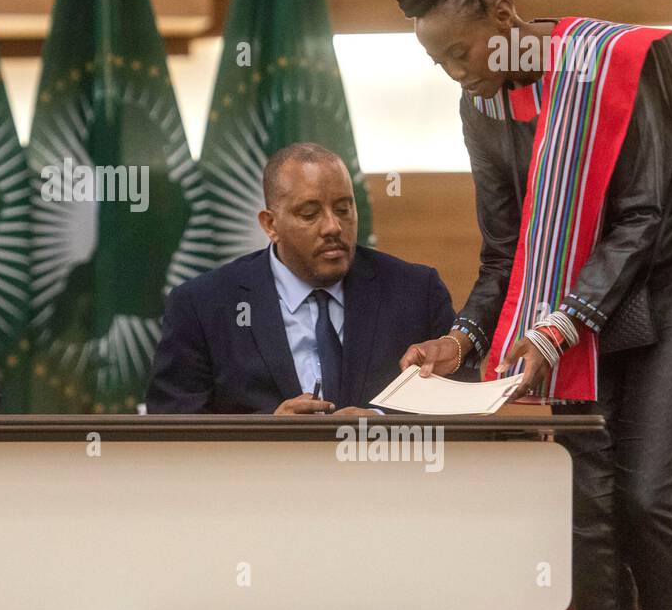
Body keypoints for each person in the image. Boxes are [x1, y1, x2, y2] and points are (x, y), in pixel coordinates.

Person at [394, 0, 672, 610]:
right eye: (440, 63)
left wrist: (557, 327)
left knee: (647, 498)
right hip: (590, 310)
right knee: (588, 505)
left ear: (503, 13)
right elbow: (504, 254)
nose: (457, 75)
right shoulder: (482, 111)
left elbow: (642, 216)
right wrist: (459, 337)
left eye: (462, 53)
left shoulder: (611, 65)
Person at [145, 142, 472, 416]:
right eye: (310, 214)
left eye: (344, 209)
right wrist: (266, 435)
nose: (333, 227)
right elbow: (174, 433)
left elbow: (465, 404)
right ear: (270, 224)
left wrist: (384, 425)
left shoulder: (415, 291)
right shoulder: (203, 305)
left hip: (388, 484)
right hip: (259, 489)